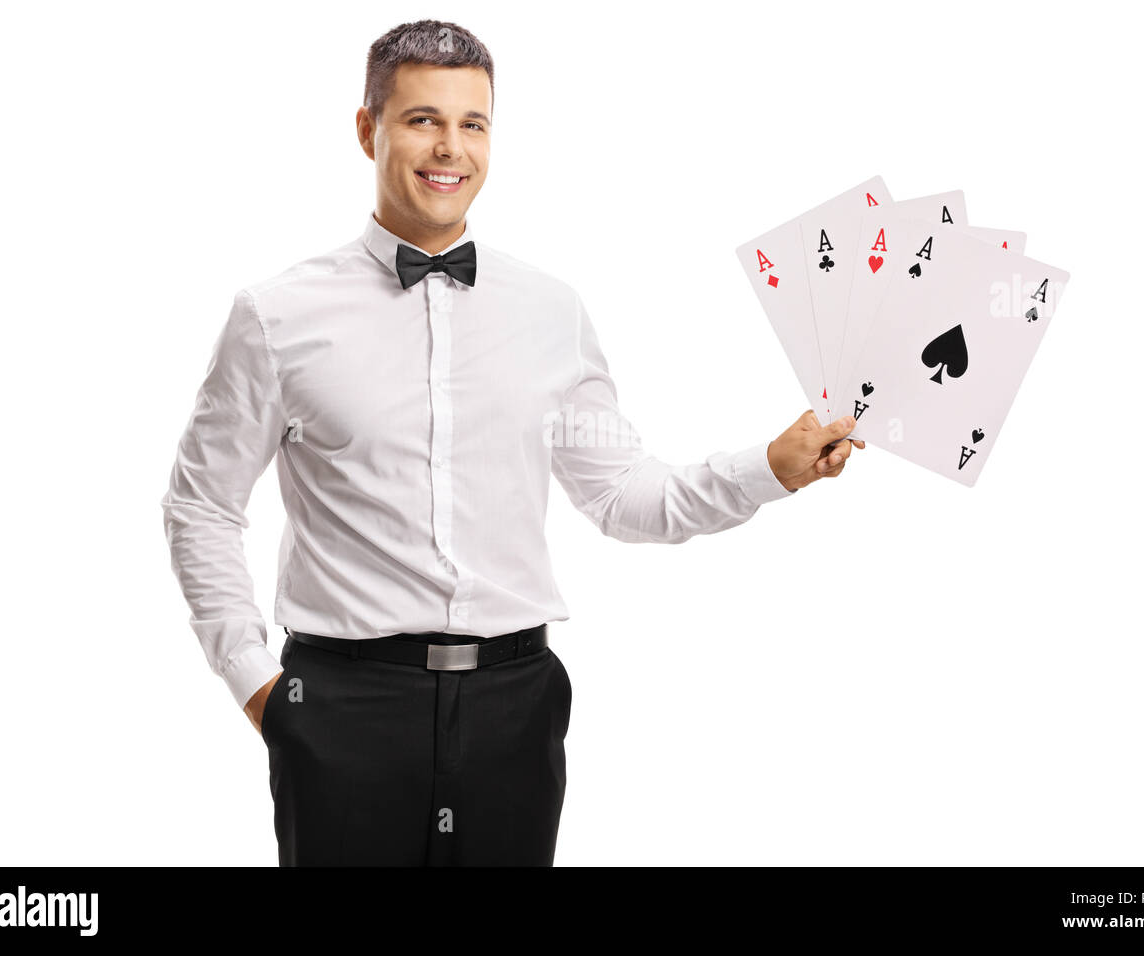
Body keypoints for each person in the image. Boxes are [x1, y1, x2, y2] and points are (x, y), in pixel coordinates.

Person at [160, 18, 863, 867]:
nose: (449, 148)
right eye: (422, 119)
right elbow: (200, 504)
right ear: (367, 128)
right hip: (341, 706)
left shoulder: (551, 313)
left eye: (473, 123)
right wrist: (260, 690)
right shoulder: (276, 316)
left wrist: (768, 470)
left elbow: (621, 494)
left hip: (515, 708)